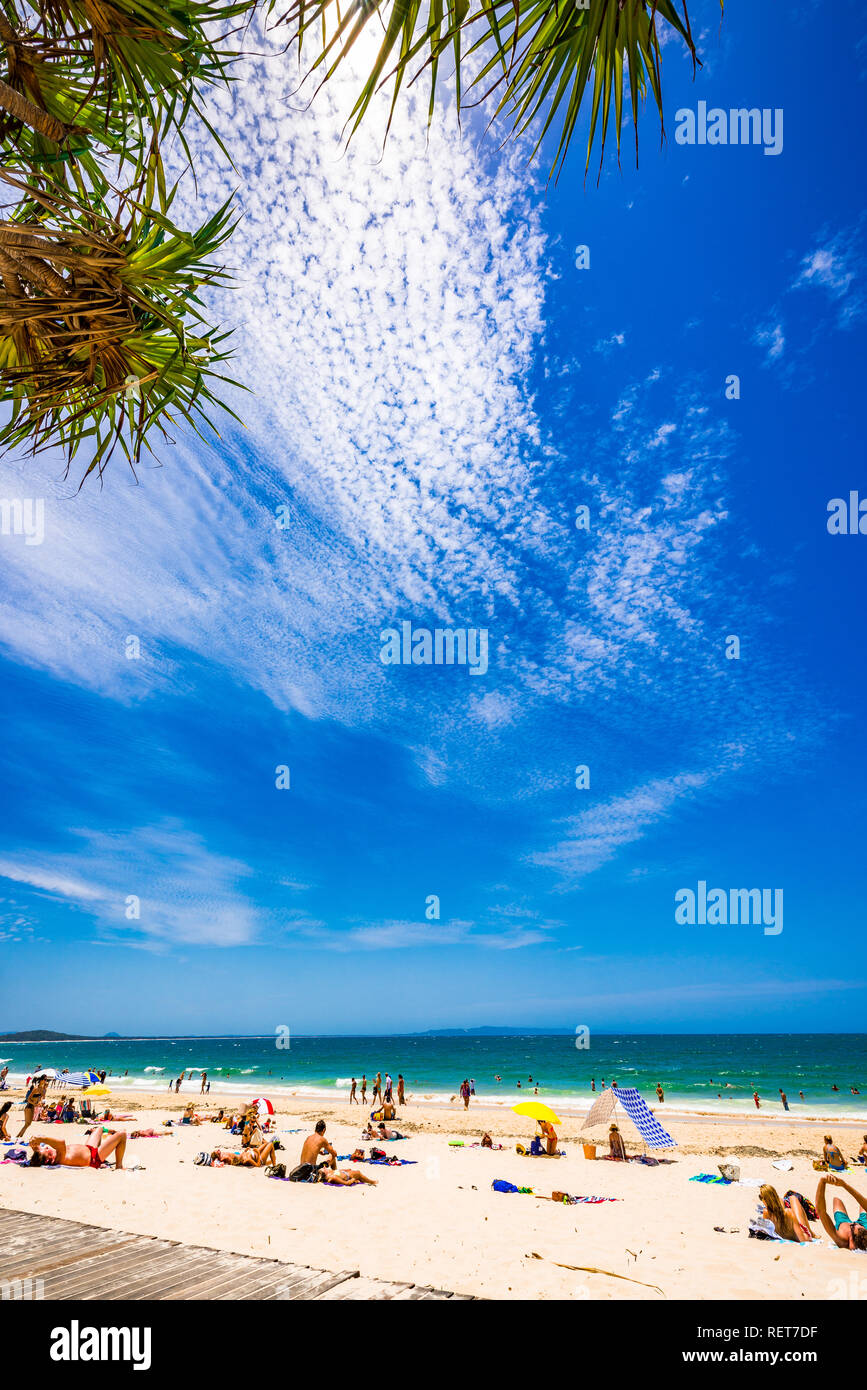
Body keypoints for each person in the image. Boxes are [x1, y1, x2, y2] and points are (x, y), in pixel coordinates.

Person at [29, 1128, 127, 1170]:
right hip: (94, 1157)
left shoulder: (48, 1157)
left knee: (99, 1129)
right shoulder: (59, 1157)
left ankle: (106, 1135)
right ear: (48, 1159)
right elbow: (61, 1142)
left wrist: (33, 1144)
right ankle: (119, 1166)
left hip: (88, 1148)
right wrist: (42, 1138)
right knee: (122, 1134)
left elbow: (38, 1153)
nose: (46, 1147)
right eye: (46, 1149)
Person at [816, 1175, 867, 1250]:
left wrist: (822, 1182)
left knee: (836, 1200)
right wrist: (844, 1185)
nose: (855, 1223)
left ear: (851, 1241)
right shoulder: (863, 1231)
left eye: (852, 1226)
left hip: (844, 1223)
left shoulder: (841, 1239)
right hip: (864, 1224)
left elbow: (821, 1211)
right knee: (863, 1204)